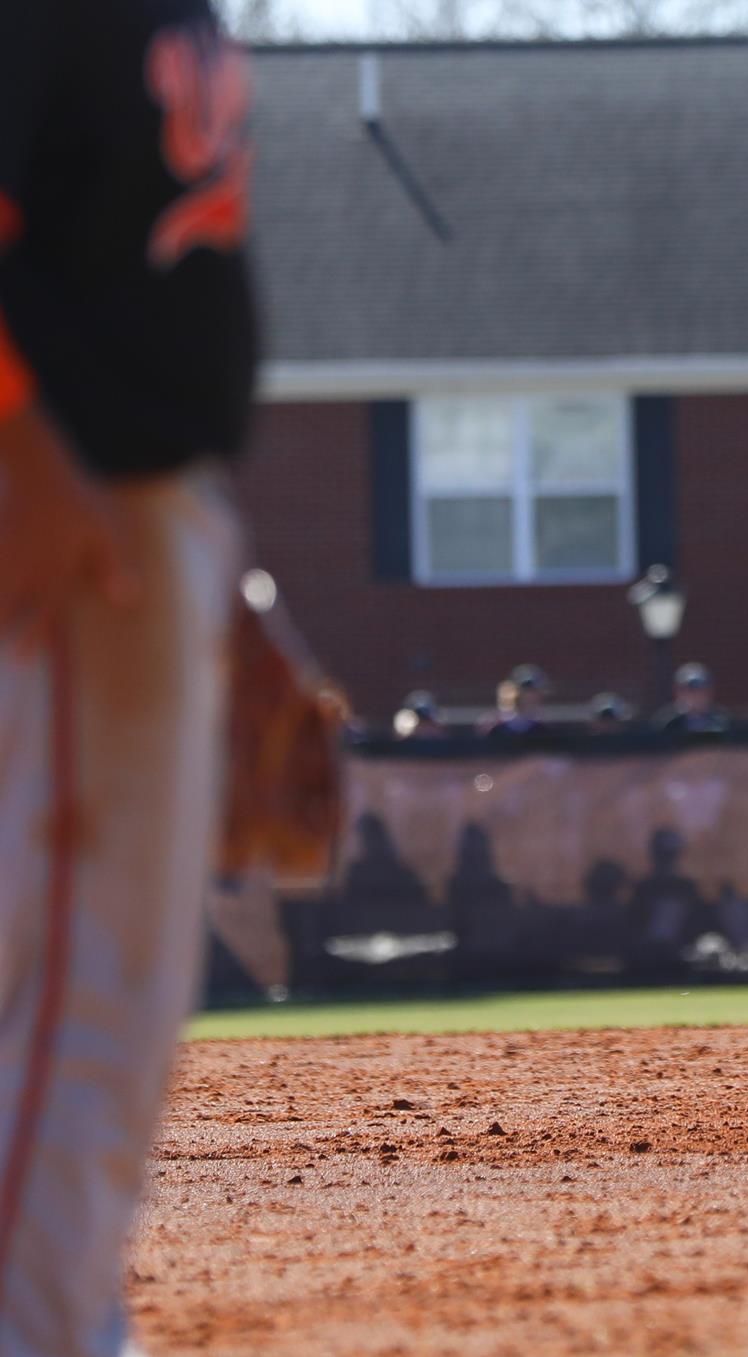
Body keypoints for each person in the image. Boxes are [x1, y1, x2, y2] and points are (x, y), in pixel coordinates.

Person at [0, 5, 258, 1353]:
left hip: (134, 511)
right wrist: (22, 446)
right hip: (65, 513)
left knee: (74, 1009)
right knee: (81, 1002)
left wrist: (233, 602)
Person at [651, 661, 730, 735]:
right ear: (677, 692)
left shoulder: (723, 721)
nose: (696, 696)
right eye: (689, 690)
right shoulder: (666, 722)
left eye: (700, 690)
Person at [478, 663, 549, 739]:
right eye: (527, 690)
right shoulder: (493, 726)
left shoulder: (542, 728)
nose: (532, 696)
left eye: (535, 691)